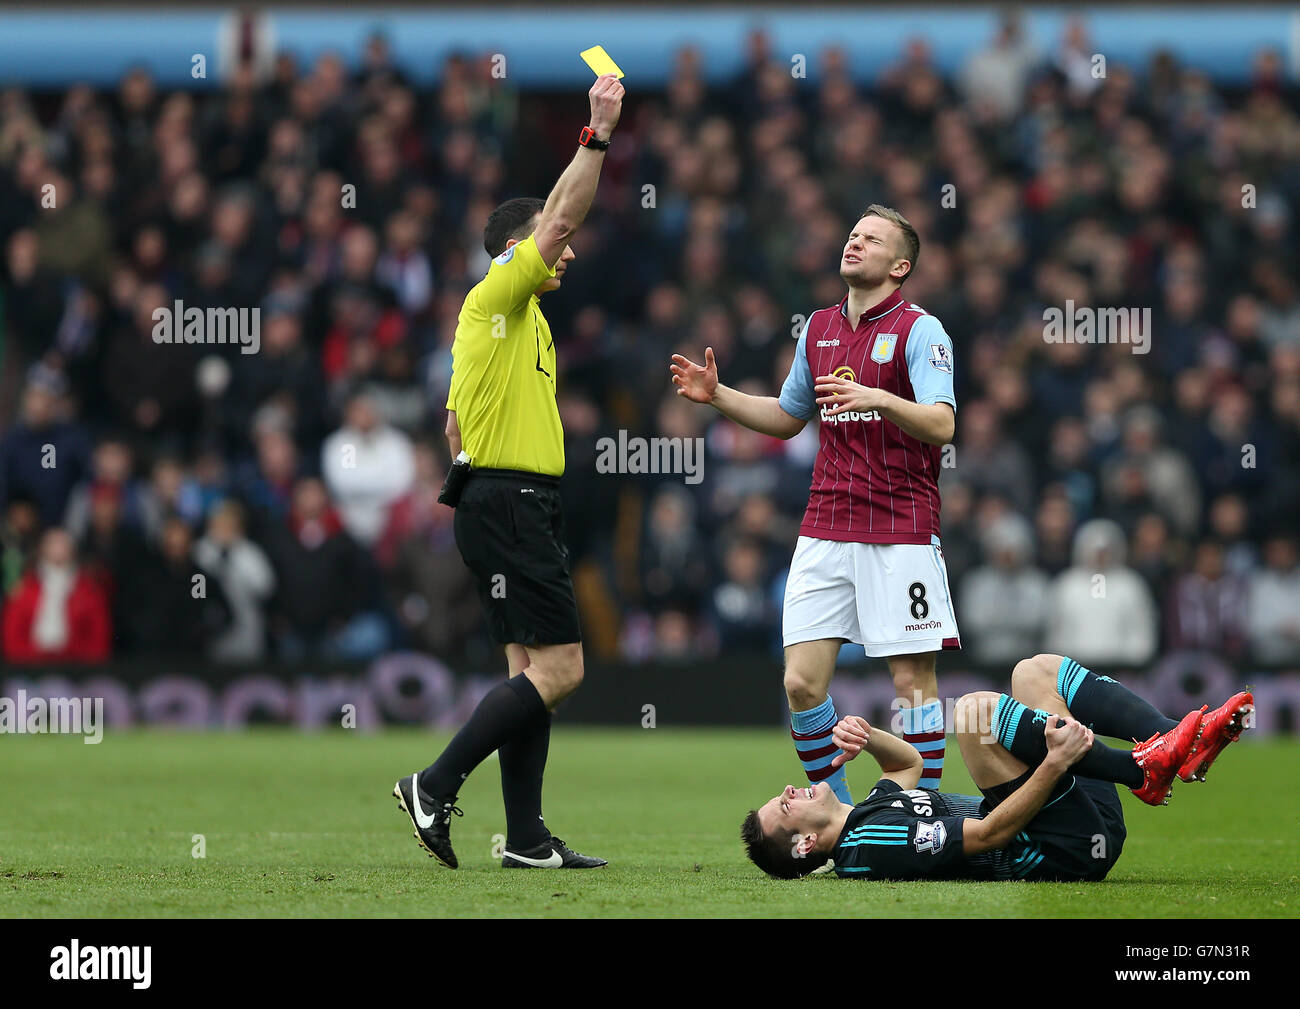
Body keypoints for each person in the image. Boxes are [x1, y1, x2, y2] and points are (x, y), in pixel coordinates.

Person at [393, 73, 624, 871]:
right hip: (511, 499)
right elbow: (560, 214)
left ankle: (524, 837)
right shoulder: (499, 288)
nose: (566, 249)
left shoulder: (501, 320)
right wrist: (597, 131)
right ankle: (433, 781)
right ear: (514, 253)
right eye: (547, 245)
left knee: (531, 672)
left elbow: (453, 422)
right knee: (564, 668)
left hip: (495, 500)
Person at [672, 205, 959, 801]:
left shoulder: (921, 330)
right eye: (853, 233)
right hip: (825, 524)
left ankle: (920, 813)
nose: (855, 242)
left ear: (899, 266)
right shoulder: (820, 329)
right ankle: (840, 815)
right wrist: (717, 394)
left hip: (901, 526)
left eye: (872, 239)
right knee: (802, 684)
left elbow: (941, 423)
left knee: (911, 682)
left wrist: (876, 397)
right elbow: (785, 418)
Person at [741, 653, 1253, 880]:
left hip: (1075, 823)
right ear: (805, 844)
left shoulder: (863, 818)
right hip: (1058, 851)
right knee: (972, 714)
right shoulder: (868, 848)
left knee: (1033, 672)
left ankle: (1176, 739)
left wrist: (868, 736)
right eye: (783, 807)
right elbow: (986, 835)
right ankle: (1142, 771)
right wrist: (1053, 765)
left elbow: (910, 764)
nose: (788, 789)